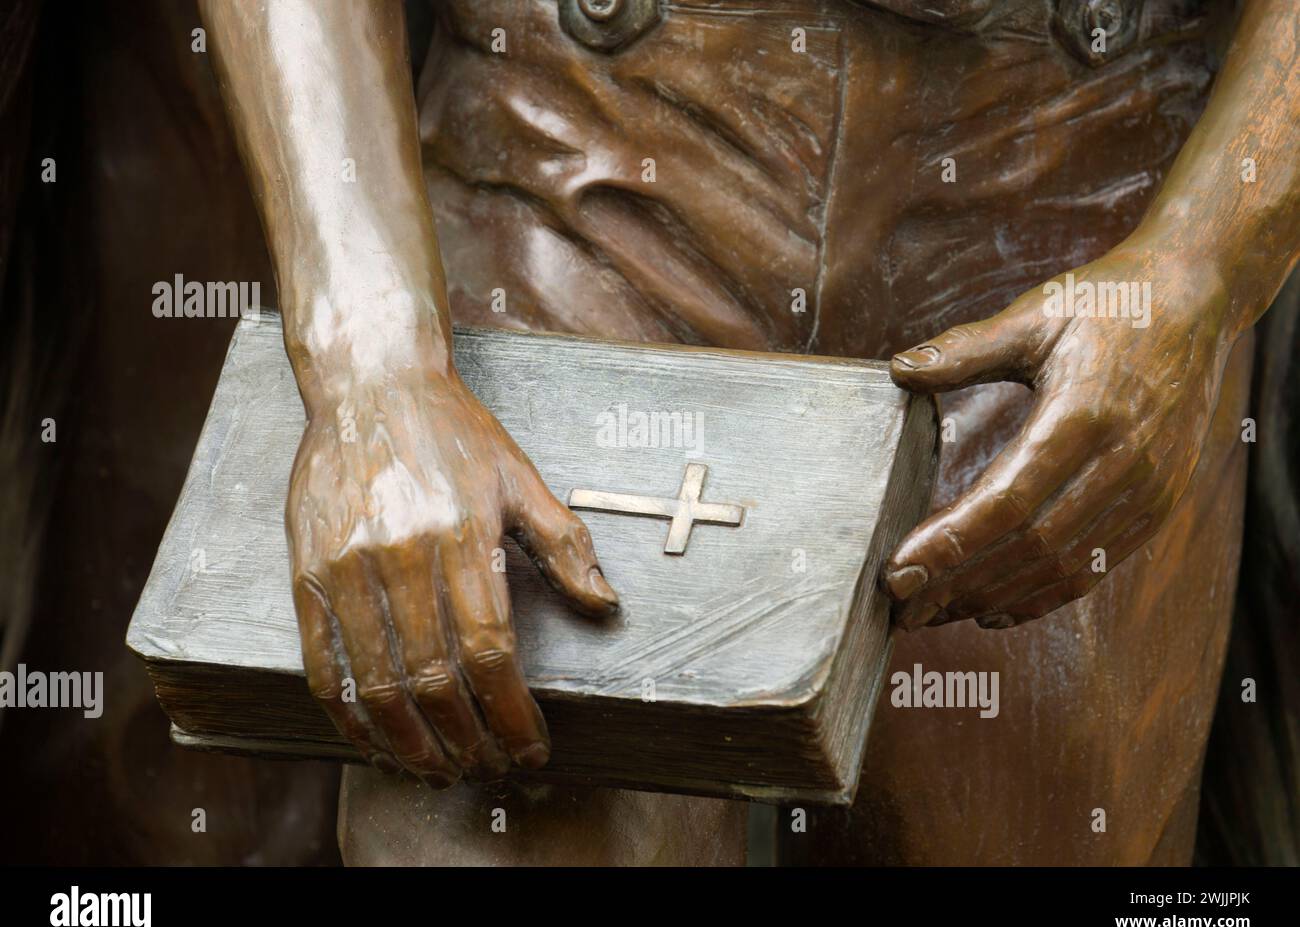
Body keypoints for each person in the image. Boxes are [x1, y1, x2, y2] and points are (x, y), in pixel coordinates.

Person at [198, 0, 1300, 865]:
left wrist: (1195, 272)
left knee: (1006, 817)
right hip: (576, 144)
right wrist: (375, 361)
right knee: (490, 788)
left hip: (1071, 205)